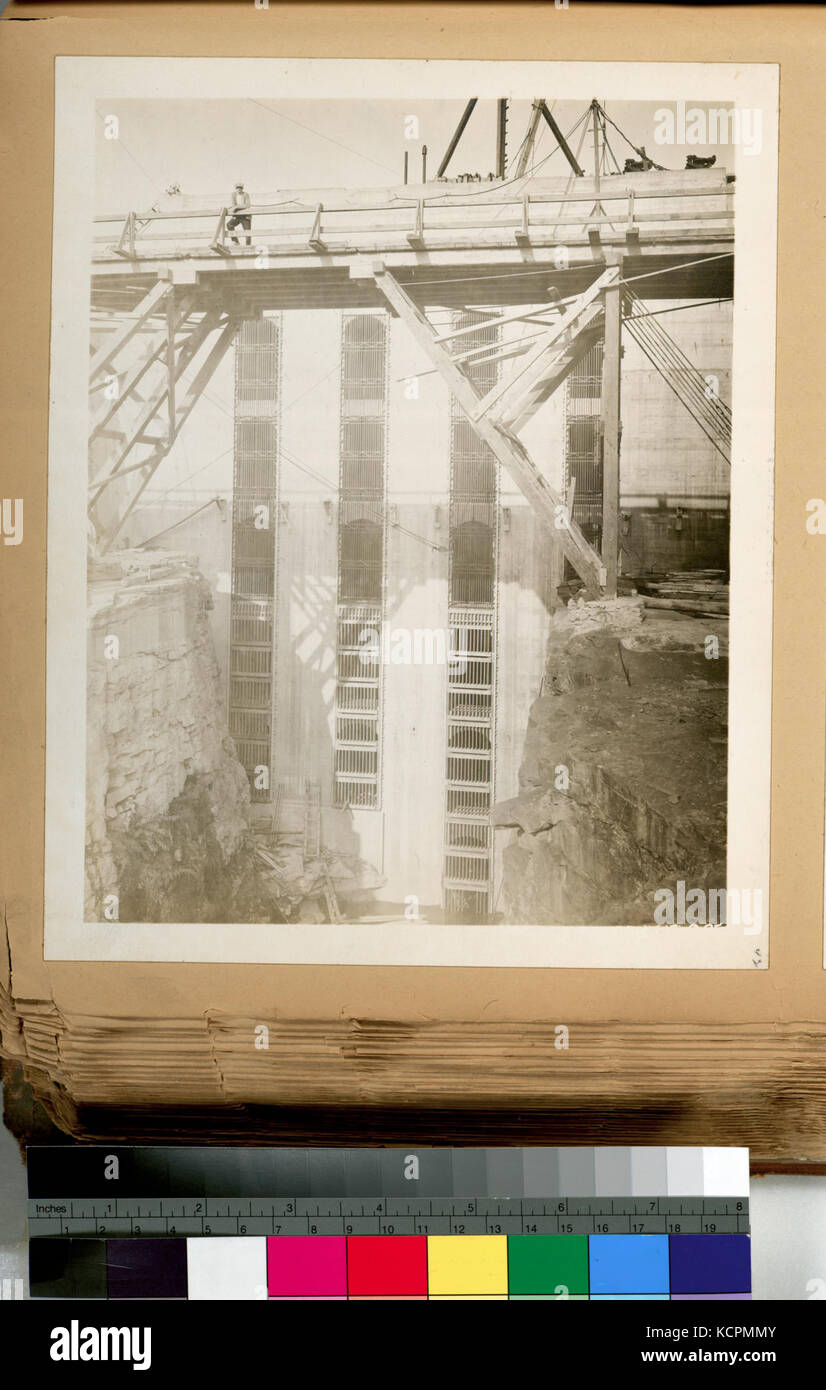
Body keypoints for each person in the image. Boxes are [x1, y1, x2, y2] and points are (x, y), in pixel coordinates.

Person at [227, 182, 252, 246]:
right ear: (235, 188)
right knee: (229, 225)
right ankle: (235, 241)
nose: (239, 189)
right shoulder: (233, 194)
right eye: (237, 188)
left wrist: (237, 207)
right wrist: (236, 208)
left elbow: (247, 205)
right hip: (237, 215)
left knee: (247, 232)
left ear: (242, 188)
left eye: (240, 188)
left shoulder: (246, 194)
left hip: (245, 215)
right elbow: (233, 204)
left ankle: (248, 246)